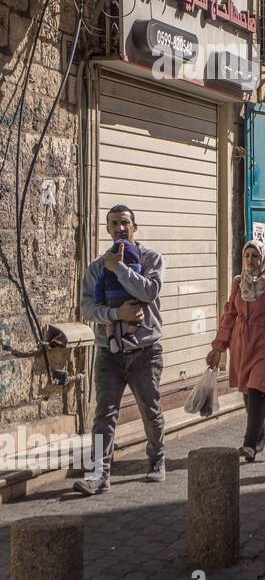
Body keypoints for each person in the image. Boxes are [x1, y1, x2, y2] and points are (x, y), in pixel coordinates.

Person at [74, 205, 167, 495]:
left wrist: (119, 268)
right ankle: (100, 474)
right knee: (104, 414)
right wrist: (116, 316)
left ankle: (156, 459)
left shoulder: (152, 258)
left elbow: (149, 291)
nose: (119, 228)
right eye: (113, 223)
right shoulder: (96, 267)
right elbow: (86, 307)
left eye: (124, 222)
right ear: (107, 229)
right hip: (108, 353)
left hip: (145, 350)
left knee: (150, 411)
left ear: (134, 227)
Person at [205, 240, 265, 462]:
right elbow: (229, 315)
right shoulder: (238, 283)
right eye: (246, 255)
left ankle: (248, 444)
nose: (250, 260)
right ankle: (260, 434)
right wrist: (218, 347)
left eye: (255, 256)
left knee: (257, 389)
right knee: (248, 394)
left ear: (264, 258)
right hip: (241, 344)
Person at [95, 237, 144, 354]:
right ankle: (130, 334)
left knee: (110, 320)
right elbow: (141, 286)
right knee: (137, 315)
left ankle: (111, 338)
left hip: (111, 297)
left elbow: (99, 285)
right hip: (129, 297)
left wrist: (99, 299)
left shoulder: (105, 268)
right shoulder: (136, 266)